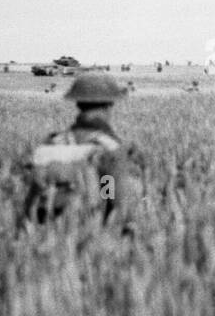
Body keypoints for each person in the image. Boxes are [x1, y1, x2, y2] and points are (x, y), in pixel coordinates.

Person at [17, 74, 141, 236]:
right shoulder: (108, 148)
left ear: (78, 104)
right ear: (109, 105)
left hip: (44, 232)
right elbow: (113, 201)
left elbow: (30, 202)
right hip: (87, 230)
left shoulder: (49, 144)